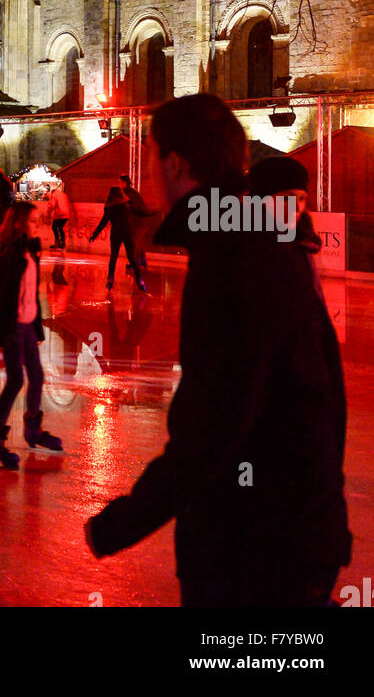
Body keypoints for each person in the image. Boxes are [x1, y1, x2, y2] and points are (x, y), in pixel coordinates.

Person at [85, 93, 352, 607]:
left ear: (176, 164)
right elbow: (323, 386)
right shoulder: (256, 237)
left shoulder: (233, 253)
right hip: (286, 530)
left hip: (255, 543)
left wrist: (123, 521)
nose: (149, 174)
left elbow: (216, 418)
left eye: (152, 155)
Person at [0, 201, 63, 467]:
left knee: (36, 376)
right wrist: (1, 329)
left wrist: (36, 326)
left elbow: (31, 292)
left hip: (26, 324)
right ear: (19, 223)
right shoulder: (9, 255)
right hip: (12, 325)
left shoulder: (29, 250)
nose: (38, 225)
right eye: (33, 221)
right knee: (16, 380)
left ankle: (33, 429)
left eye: (39, 221)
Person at [249, 155, 323, 299]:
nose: (297, 208)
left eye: (301, 198)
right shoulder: (249, 250)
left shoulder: (300, 242)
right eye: (286, 198)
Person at [89, 185, 146, 293]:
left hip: (116, 233)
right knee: (132, 257)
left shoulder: (110, 207)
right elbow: (139, 213)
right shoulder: (127, 205)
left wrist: (94, 235)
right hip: (127, 232)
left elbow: (103, 223)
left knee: (113, 256)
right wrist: (150, 213)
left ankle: (110, 279)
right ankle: (140, 280)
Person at [48, 179, 73, 250]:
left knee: (54, 227)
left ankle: (57, 243)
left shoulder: (53, 194)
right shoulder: (64, 194)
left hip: (60, 214)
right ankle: (62, 244)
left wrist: (48, 213)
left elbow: (52, 205)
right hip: (67, 214)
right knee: (60, 228)